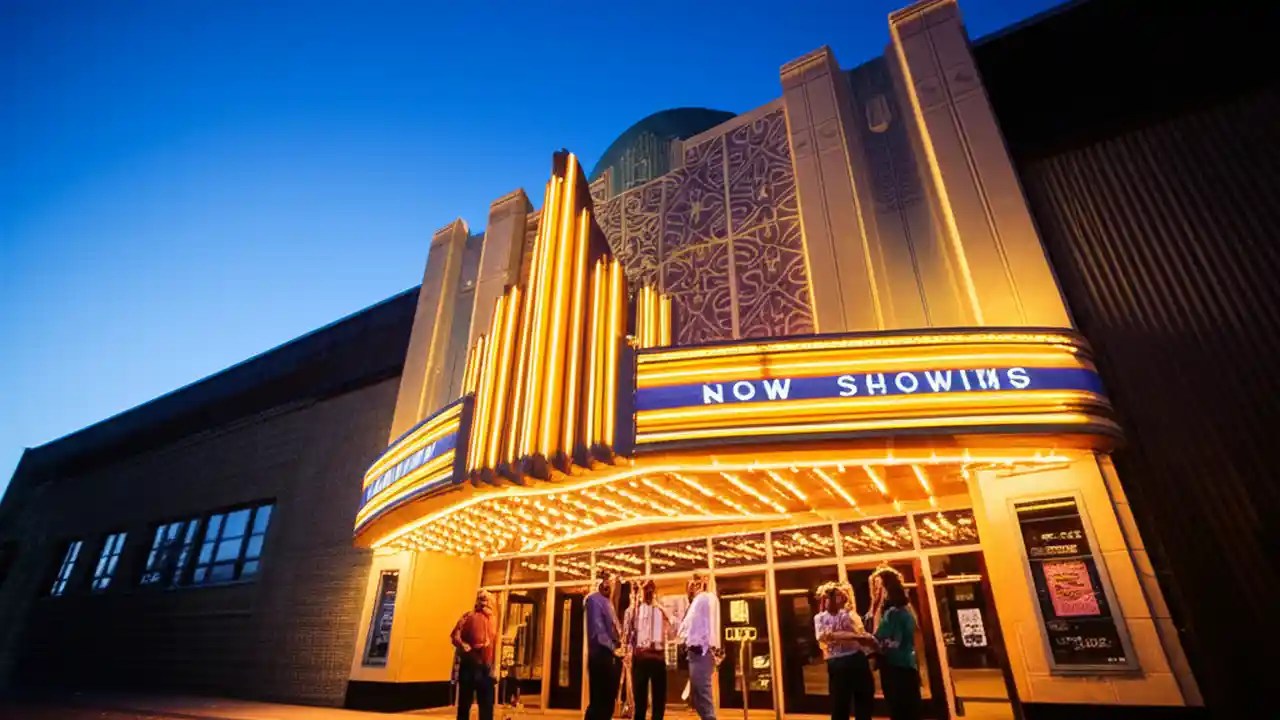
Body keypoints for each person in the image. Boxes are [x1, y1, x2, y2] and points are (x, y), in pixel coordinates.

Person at [814, 582, 877, 720]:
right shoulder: (823, 617)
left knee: (852, 700)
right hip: (845, 660)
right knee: (844, 702)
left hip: (845, 659)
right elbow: (823, 636)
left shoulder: (847, 615)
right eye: (835, 596)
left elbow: (859, 635)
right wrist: (855, 637)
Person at [871, 569, 922, 720]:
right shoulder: (905, 609)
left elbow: (881, 637)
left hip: (895, 664)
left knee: (899, 706)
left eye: (879, 587)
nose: (876, 591)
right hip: (907, 663)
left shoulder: (893, 613)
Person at [624, 579, 674, 720]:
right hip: (640, 658)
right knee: (640, 701)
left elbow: (673, 630)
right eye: (645, 590)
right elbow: (627, 634)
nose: (648, 593)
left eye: (651, 589)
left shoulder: (661, 610)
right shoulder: (633, 611)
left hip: (658, 658)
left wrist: (662, 610)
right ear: (640, 591)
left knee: (659, 700)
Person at [677, 572, 720, 720]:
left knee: (703, 695)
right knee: (697, 695)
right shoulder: (698, 601)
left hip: (701, 652)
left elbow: (689, 627)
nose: (689, 588)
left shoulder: (703, 599)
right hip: (696, 653)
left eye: (692, 584)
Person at [451, 589, 497, 720]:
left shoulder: (492, 620)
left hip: (485, 665)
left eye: (486, 599)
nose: (484, 603)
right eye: (481, 599)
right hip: (470, 663)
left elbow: (493, 642)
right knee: (465, 703)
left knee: (486, 704)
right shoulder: (468, 616)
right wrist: (465, 646)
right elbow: (456, 635)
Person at [586, 571, 623, 720]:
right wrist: (615, 649)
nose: (609, 585)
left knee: (607, 700)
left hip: (608, 656)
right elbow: (598, 631)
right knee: (600, 700)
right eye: (606, 581)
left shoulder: (608, 602)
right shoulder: (595, 600)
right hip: (601, 656)